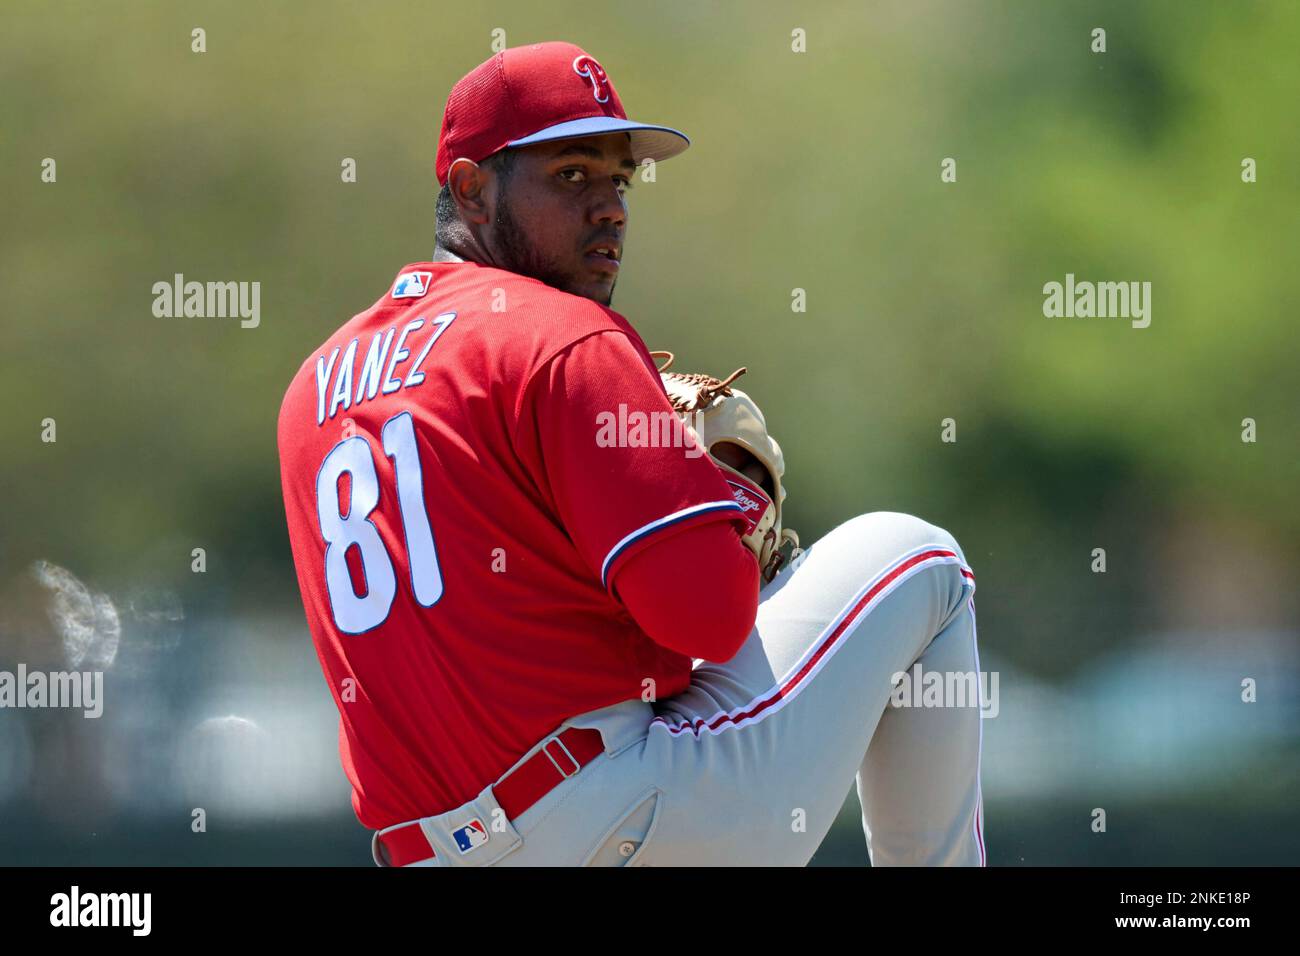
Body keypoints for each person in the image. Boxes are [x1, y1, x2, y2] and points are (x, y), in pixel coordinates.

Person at [277, 40, 985, 866]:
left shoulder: (314, 387)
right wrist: (714, 510)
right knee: (923, 563)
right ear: (470, 187)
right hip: (610, 821)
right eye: (572, 174)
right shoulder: (562, 338)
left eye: (621, 177)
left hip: (431, 852)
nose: (611, 205)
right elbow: (709, 624)